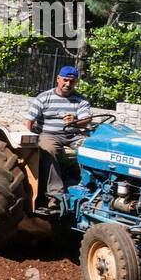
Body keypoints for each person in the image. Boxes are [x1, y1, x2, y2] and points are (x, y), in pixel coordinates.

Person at [25, 66, 91, 208]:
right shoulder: (44, 97)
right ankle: (55, 195)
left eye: (72, 81)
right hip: (49, 134)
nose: (68, 84)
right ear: (58, 79)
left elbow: (86, 119)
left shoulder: (81, 100)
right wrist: (27, 141)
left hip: (73, 135)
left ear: (76, 82)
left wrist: (75, 121)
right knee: (48, 150)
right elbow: (29, 120)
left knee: (91, 149)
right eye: (65, 80)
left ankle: (88, 188)